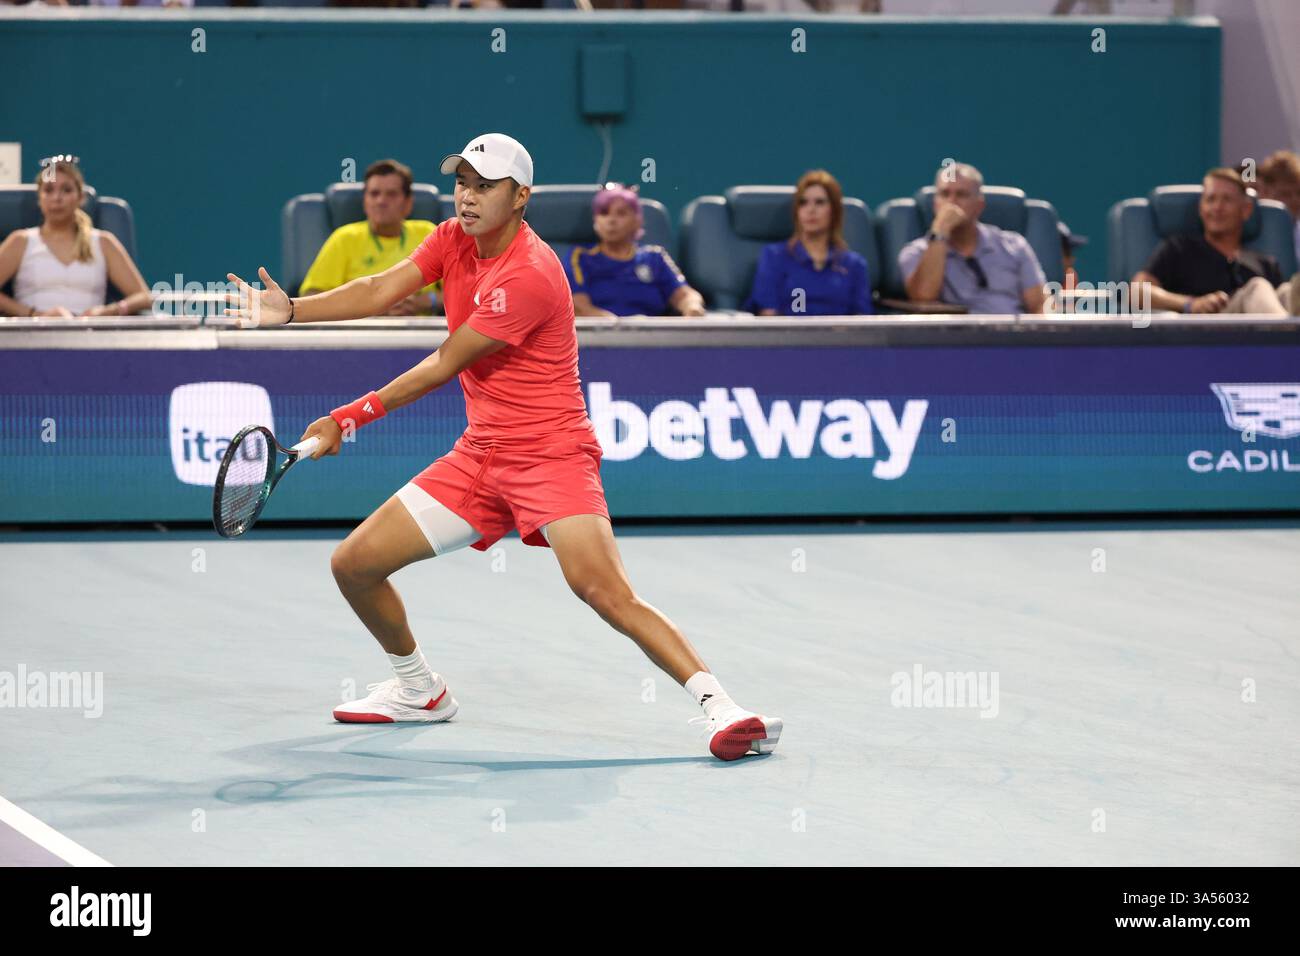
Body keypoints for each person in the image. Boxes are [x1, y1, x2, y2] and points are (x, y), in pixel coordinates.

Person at [224, 133, 781, 762]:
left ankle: (725, 708)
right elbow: (381, 289)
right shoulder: (452, 237)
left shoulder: (532, 276)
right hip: (480, 456)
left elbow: (442, 363)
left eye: (483, 185)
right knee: (354, 564)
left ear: (520, 197)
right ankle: (419, 690)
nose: (467, 196)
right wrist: (293, 309)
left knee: (603, 591)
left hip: (552, 455)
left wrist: (346, 420)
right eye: (461, 182)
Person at [1132, 167, 1299, 316]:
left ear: (1246, 210)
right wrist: (1190, 304)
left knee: (1288, 290)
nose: (1217, 208)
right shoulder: (1179, 249)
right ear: (1201, 208)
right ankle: (1290, 342)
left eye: (1227, 200)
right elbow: (1137, 292)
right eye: (1210, 200)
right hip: (1212, 333)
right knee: (1257, 288)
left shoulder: (1266, 263)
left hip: (1260, 332)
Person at [0, 156, 151, 319]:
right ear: (39, 198)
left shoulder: (104, 242)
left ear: (80, 197)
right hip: (31, 336)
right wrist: (35, 315)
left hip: (89, 336)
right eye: (49, 190)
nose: (57, 198)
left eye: (66, 190)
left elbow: (144, 297)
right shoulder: (20, 241)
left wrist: (108, 311)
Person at [899, 162, 1047, 314]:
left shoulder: (1015, 245)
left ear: (979, 205)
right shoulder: (915, 252)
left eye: (961, 195)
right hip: (957, 335)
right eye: (944, 194)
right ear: (935, 204)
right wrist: (939, 232)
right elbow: (923, 297)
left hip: (1017, 333)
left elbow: (1039, 304)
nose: (951, 202)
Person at [299, 159, 441, 316]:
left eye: (391, 194)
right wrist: (371, 306)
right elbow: (310, 297)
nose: (381, 201)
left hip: (422, 335)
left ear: (408, 203)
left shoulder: (428, 233)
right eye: (374, 194)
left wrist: (428, 301)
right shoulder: (344, 238)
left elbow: (467, 292)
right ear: (365, 202)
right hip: (358, 335)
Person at [565, 184, 705, 318]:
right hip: (601, 336)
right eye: (604, 213)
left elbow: (685, 295)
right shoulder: (580, 256)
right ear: (595, 221)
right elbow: (578, 306)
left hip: (653, 336)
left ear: (637, 221)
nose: (611, 220)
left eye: (621, 213)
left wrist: (692, 308)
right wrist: (614, 326)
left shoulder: (655, 257)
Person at [746, 170, 872, 316]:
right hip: (789, 338)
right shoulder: (774, 257)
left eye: (820, 202)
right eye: (803, 203)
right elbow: (768, 315)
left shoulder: (854, 265)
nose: (811, 210)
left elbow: (862, 322)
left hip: (841, 338)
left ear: (834, 211)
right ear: (796, 212)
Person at [1257, 150, 1300, 267]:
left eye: (1299, 193)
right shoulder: (1249, 232)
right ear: (1265, 193)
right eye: (1285, 194)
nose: (1295, 200)